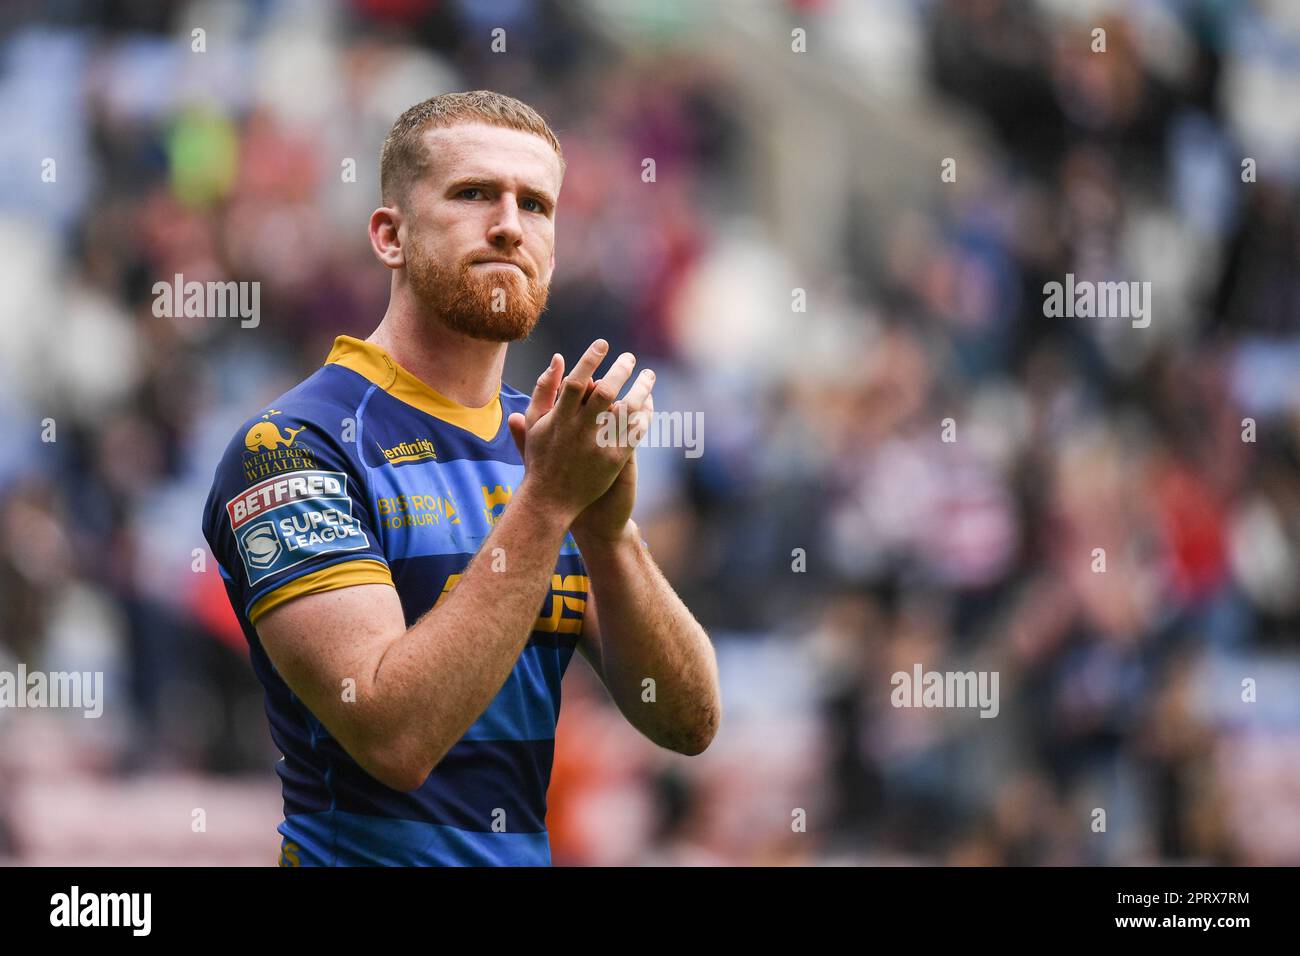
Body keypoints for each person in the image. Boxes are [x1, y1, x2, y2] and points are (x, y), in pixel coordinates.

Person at [201, 90, 721, 866]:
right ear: (390, 236)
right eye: (474, 193)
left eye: (536, 205)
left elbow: (686, 722)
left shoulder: (547, 444)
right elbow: (394, 737)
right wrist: (547, 503)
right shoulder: (291, 448)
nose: (509, 223)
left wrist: (607, 534)